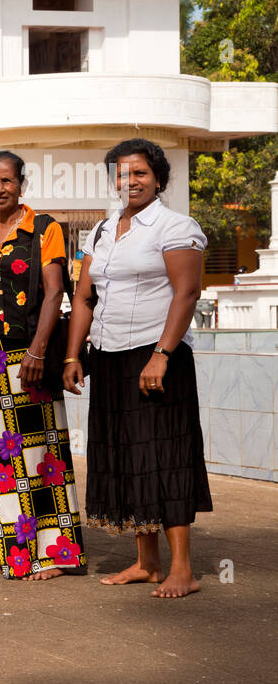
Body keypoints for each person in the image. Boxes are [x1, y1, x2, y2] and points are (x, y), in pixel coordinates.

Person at [63, 138, 211, 599]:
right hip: (108, 357)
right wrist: (73, 355)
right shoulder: (103, 230)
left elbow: (186, 293)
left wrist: (162, 355)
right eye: (122, 175)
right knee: (128, 455)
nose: (130, 182)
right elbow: (85, 296)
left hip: (156, 356)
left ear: (159, 178)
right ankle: (147, 563)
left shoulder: (175, 225)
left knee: (165, 455)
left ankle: (181, 569)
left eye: (140, 173)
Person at [0, 151, 86, 581]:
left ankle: (55, 555)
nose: (0, 188)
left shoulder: (44, 228)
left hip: (27, 355)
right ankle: (10, 552)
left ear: (22, 183)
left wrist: (37, 351)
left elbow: (55, 292)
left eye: (8, 181)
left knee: (41, 458)